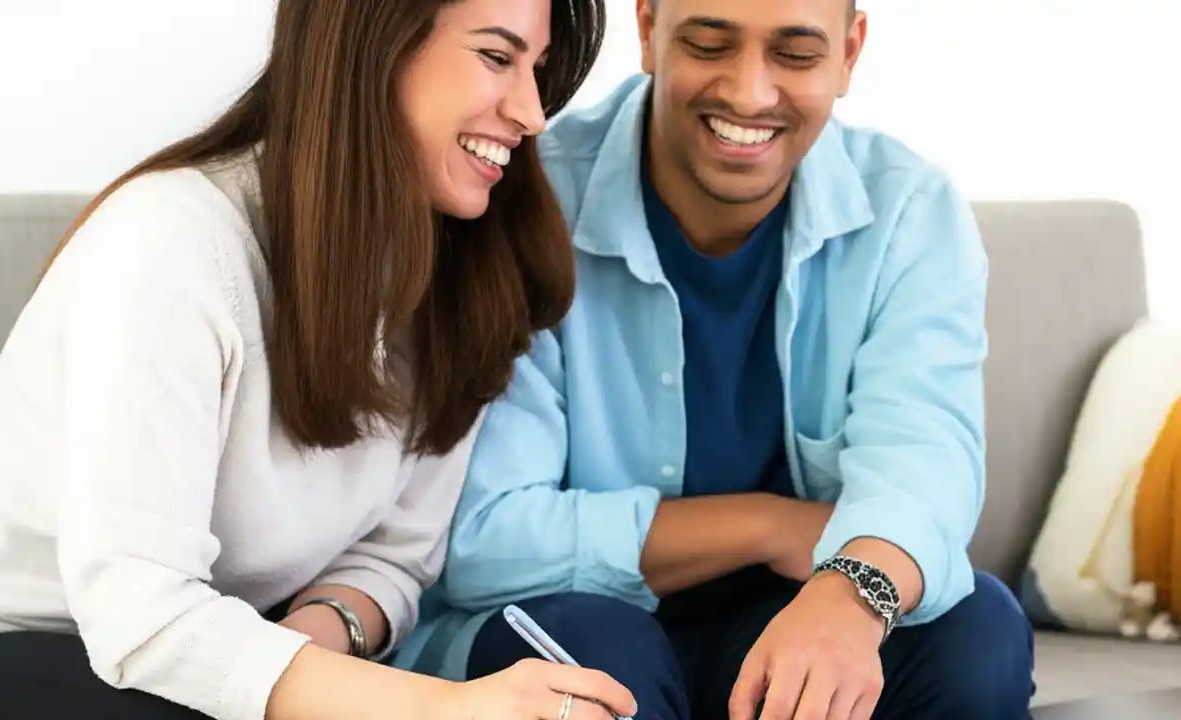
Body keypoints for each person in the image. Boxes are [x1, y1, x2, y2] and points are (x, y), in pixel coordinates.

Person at [0, 2, 640, 720]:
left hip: (186, 659)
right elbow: (142, 615)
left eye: (538, 69)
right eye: (496, 56)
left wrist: (301, 649)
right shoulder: (173, 244)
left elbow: (394, 556)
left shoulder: (466, 279)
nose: (534, 113)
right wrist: (443, 708)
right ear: (374, 47)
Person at [398, 1, 1035, 718]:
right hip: (581, 620)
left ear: (849, 55)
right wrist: (770, 525)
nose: (748, 92)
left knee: (977, 630)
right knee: (596, 665)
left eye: (794, 56)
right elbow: (487, 539)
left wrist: (849, 592)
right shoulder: (527, 193)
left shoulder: (908, 212)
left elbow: (926, 463)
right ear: (647, 30)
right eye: (708, 44)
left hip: (780, 611)